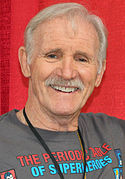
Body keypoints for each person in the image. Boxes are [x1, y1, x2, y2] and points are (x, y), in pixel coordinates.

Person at [0, 2, 124, 179]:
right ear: (26, 62)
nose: (67, 73)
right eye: (52, 56)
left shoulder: (118, 136)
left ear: (99, 73)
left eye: (81, 59)